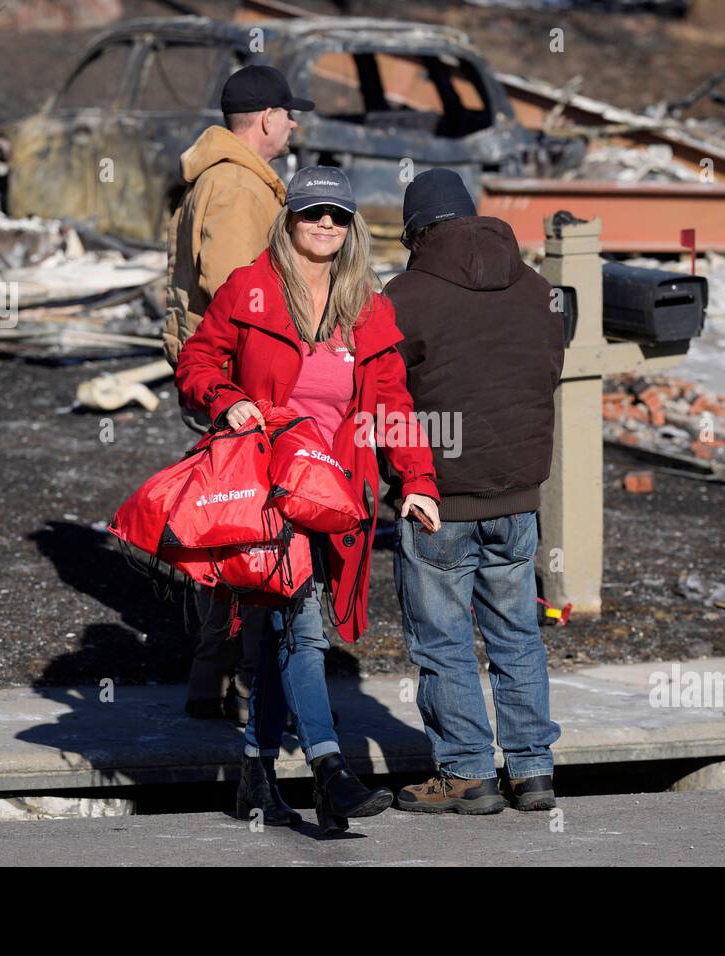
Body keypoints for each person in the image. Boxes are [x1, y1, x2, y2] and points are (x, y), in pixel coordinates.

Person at [176, 165, 442, 833]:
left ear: (352, 228)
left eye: (338, 216)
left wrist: (418, 481)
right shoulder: (251, 289)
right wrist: (228, 399)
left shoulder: (367, 307)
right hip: (266, 491)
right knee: (303, 626)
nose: (325, 224)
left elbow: (393, 405)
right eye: (311, 213)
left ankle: (256, 777)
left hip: (335, 497)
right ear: (287, 219)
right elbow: (197, 364)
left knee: (275, 633)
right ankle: (330, 770)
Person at [383, 168, 565, 814]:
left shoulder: (404, 295)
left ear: (415, 233)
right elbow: (550, 369)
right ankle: (532, 770)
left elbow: (383, 391)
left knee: (444, 638)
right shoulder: (538, 289)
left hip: (438, 498)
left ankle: (466, 774)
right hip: (518, 496)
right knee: (517, 632)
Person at [163, 65, 312, 724]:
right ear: (265, 118)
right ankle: (246, 684)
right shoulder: (238, 188)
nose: (296, 124)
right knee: (245, 530)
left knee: (229, 522)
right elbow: (237, 298)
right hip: (239, 389)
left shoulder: (228, 180)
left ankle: (216, 681)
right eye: (290, 113)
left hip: (228, 385)